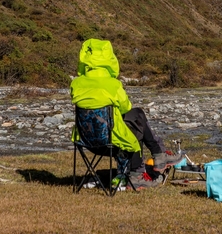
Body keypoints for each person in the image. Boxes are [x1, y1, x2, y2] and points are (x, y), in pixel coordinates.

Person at [70, 38, 180, 188]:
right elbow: (126, 108)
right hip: (111, 142)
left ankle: (155, 157)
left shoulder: (76, 84)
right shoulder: (113, 84)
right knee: (137, 118)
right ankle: (145, 166)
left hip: (85, 141)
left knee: (135, 121)